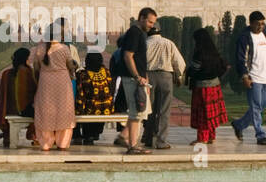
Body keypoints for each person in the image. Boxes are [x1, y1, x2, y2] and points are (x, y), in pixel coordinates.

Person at [30, 16, 79, 151]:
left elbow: (36, 68)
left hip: (46, 82)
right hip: (62, 82)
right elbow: (71, 66)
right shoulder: (63, 49)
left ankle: (46, 143)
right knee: (64, 111)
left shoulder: (40, 49)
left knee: (46, 111)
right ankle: (62, 143)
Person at [116, 8, 157, 154]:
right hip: (133, 79)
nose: (152, 25)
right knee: (137, 113)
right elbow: (128, 55)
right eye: (150, 22)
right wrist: (137, 76)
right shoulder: (135, 32)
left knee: (141, 111)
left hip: (138, 79)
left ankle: (124, 136)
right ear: (142, 18)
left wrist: (143, 76)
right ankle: (133, 146)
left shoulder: (138, 33)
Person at [232, 10, 266, 145]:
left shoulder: (265, 35)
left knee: (260, 107)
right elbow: (241, 59)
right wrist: (244, 76)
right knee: (256, 107)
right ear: (251, 23)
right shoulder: (245, 37)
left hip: (265, 78)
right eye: (258, 24)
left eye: (262, 24)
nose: (261, 26)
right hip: (253, 78)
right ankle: (260, 134)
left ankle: (239, 124)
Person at [142, 23, 185, 150]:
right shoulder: (168, 43)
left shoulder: (145, 43)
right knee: (164, 111)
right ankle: (161, 141)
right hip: (166, 76)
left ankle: (148, 138)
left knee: (149, 109)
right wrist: (179, 76)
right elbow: (180, 62)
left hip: (149, 77)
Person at [186, 27, 229, 145]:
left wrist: (188, 72)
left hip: (202, 87)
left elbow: (194, 70)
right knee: (211, 113)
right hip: (215, 86)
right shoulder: (214, 52)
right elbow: (222, 67)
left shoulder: (199, 54)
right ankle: (211, 136)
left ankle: (202, 138)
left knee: (202, 113)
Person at [0, 47, 36, 148]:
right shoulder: (28, 72)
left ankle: (7, 137)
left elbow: (2, 97)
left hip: (9, 110)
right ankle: (35, 136)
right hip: (24, 110)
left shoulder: (7, 74)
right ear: (24, 59)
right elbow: (34, 91)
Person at [74, 50, 114, 144]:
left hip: (90, 109)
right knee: (100, 104)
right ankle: (95, 134)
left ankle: (85, 136)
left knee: (84, 106)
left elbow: (80, 95)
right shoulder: (107, 72)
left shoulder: (82, 74)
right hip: (107, 108)